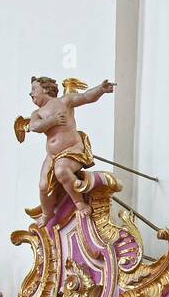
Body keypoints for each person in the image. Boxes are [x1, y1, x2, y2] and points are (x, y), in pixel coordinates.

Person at [26, 75, 114, 225]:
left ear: (46, 88)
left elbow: (86, 97)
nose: (31, 93)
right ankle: (47, 213)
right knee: (43, 186)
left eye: (34, 89)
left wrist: (100, 89)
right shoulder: (37, 113)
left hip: (72, 149)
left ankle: (79, 202)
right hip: (52, 155)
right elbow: (34, 127)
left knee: (61, 170)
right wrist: (52, 121)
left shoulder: (64, 101)